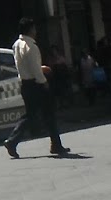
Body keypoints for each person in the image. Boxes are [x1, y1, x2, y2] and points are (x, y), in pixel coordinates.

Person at [5, 18, 66, 158]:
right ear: (30, 29)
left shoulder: (17, 44)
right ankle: (13, 141)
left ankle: (54, 143)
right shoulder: (31, 46)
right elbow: (34, 68)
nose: (36, 31)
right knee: (47, 113)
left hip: (25, 83)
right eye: (34, 28)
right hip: (35, 84)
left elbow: (26, 65)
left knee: (32, 114)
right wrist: (43, 81)